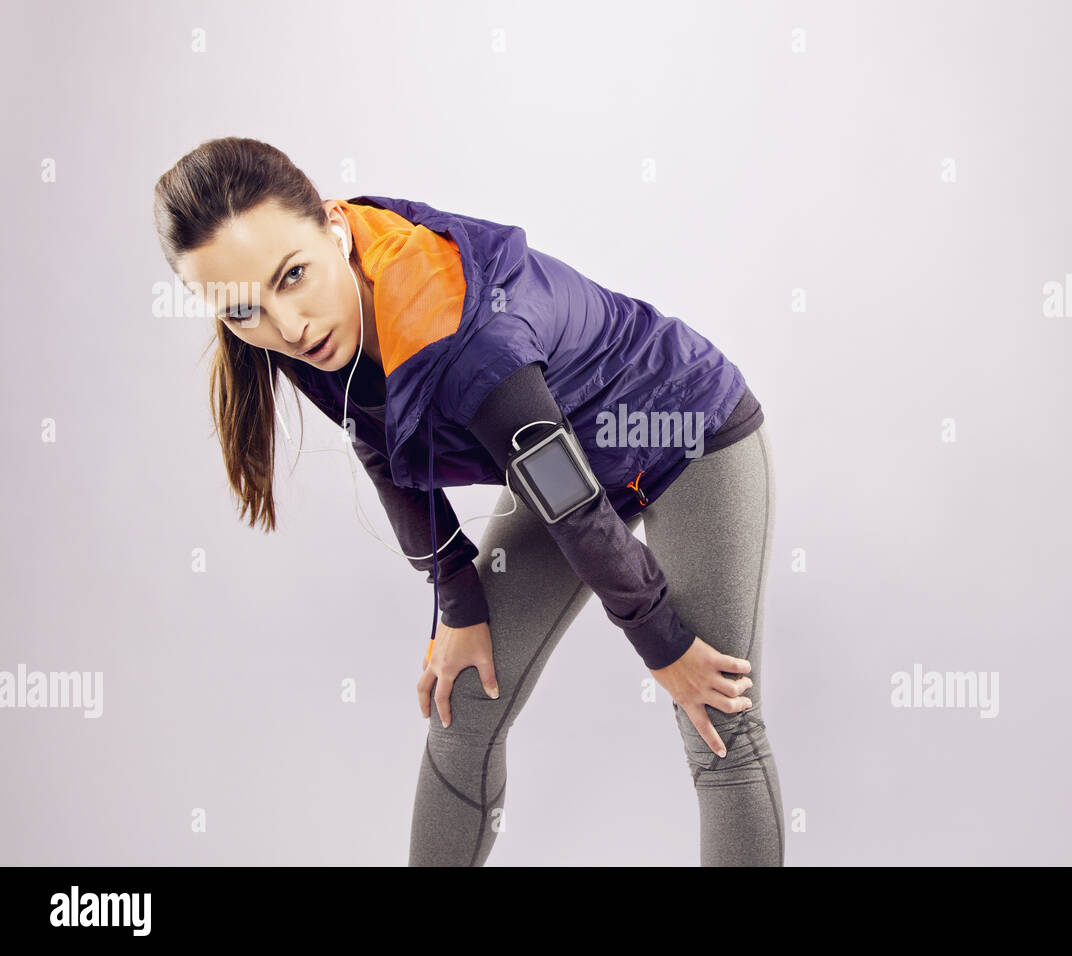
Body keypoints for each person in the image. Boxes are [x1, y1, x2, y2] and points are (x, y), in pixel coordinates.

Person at [153, 136, 784, 866]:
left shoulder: (465, 337)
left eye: (292, 276)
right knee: (463, 713)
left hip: (688, 433)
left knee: (716, 725)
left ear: (332, 224)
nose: (286, 326)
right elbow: (382, 441)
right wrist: (458, 601)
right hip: (552, 468)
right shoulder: (306, 325)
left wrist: (663, 643)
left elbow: (571, 501)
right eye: (242, 312)